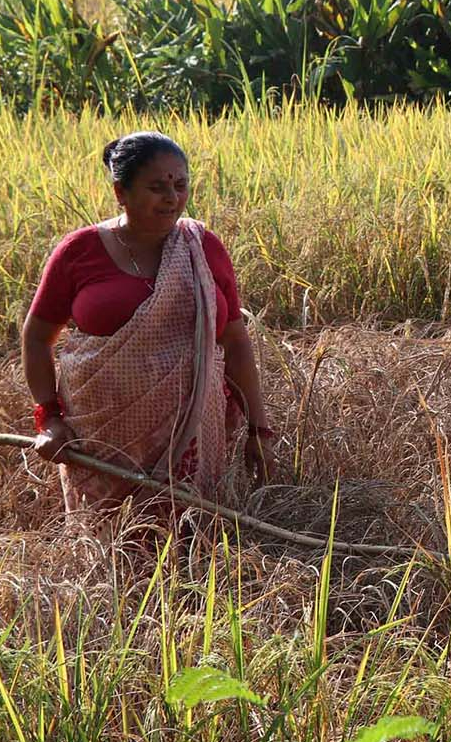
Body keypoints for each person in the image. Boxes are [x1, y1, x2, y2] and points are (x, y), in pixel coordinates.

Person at [21, 131, 273, 523]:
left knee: (192, 545)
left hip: (192, 435)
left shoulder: (202, 248)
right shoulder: (79, 251)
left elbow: (236, 340)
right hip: (102, 441)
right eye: (157, 187)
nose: (172, 198)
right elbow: (37, 338)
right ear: (121, 191)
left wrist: (260, 431)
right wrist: (48, 418)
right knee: (112, 551)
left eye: (180, 185)